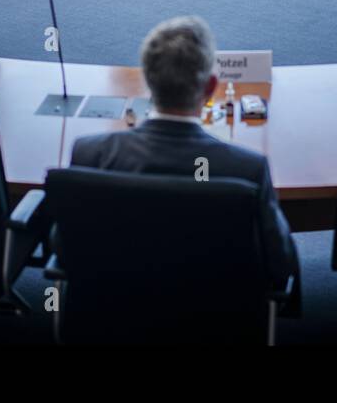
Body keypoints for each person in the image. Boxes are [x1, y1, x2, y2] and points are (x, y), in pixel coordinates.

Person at [69, 16, 299, 307]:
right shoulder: (246, 170)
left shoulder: (91, 155)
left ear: (146, 79)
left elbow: (65, 246)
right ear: (211, 87)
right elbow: (280, 263)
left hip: (115, 319)